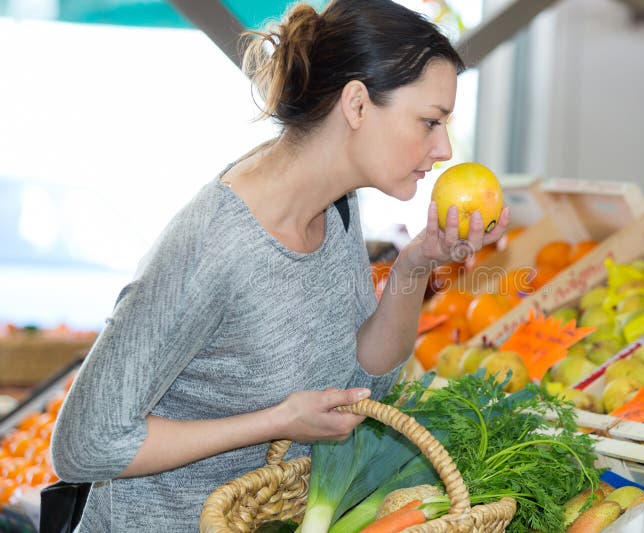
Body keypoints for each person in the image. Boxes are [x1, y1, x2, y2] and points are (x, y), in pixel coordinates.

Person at [50, 0, 510, 530]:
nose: (446, 148)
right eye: (430, 121)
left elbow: (362, 384)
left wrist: (415, 266)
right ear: (357, 105)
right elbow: (84, 447)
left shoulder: (336, 206)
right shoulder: (213, 246)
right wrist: (278, 421)